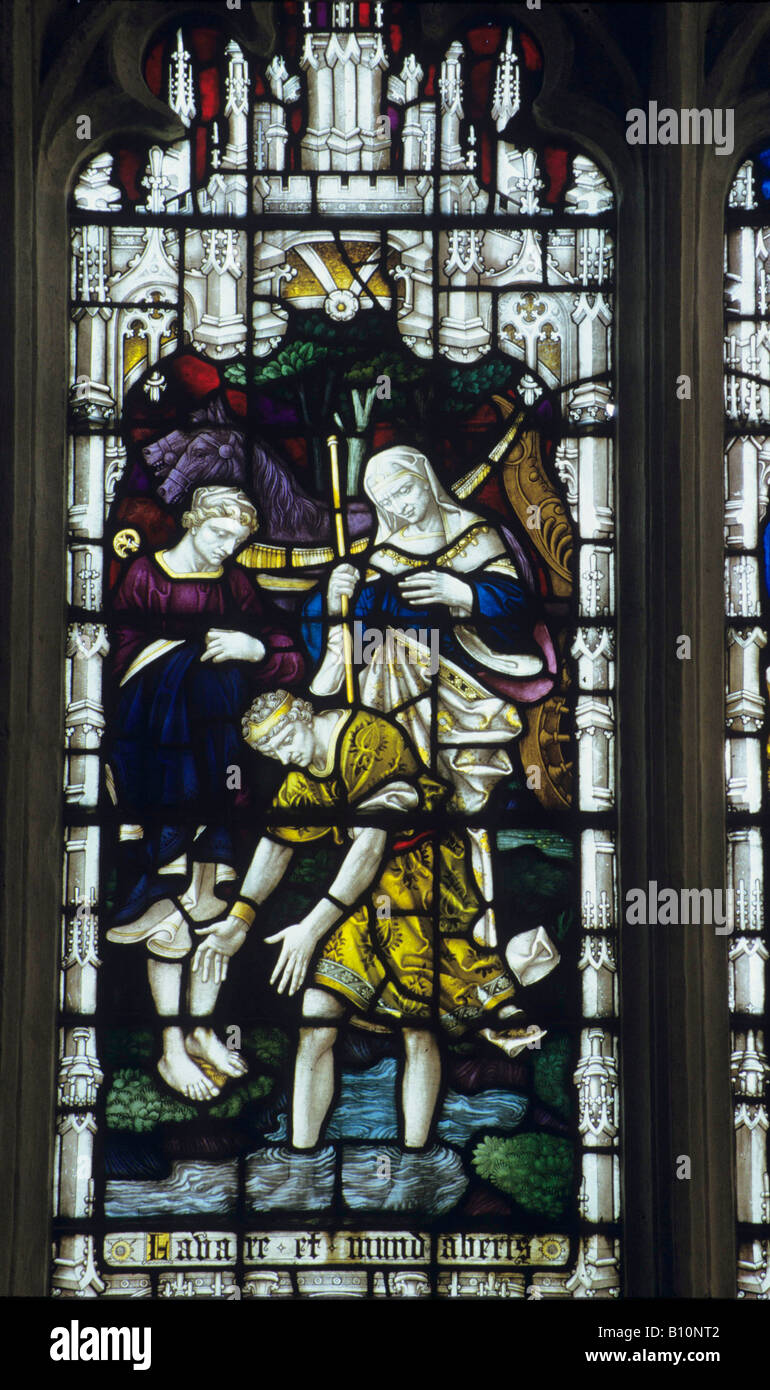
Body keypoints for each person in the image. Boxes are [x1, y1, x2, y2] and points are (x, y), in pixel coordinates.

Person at [191, 690, 543, 1172]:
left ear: (306, 716)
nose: (285, 756)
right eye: (272, 753)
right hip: (361, 891)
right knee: (317, 1014)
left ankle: (417, 1162)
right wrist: (239, 921)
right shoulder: (300, 777)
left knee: (418, 1025)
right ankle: (301, 1159)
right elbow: (276, 844)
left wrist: (311, 929)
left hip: (423, 878)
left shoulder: (369, 738)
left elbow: (371, 845)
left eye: (287, 740)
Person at [302, 444, 552, 954]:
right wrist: (334, 599)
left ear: (427, 478)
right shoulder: (380, 554)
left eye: (406, 490)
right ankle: (391, 921)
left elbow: (517, 606)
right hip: (393, 691)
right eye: (387, 500)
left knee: (462, 811)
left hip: (465, 683)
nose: (402, 505)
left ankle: (473, 932)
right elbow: (346, 638)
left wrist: (463, 594)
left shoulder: (475, 536)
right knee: (399, 792)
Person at [104, 486, 304, 1100]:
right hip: (157, 765)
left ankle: (200, 1030)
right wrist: (186, 656)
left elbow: (290, 659)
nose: (227, 547)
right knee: (165, 901)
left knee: (210, 894)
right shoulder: (145, 576)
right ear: (193, 521)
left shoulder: (237, 587)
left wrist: (253, 648)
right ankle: (169, 1047)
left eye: (237, 541)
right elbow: (111, 662)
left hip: (220, 766)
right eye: (219, 534)